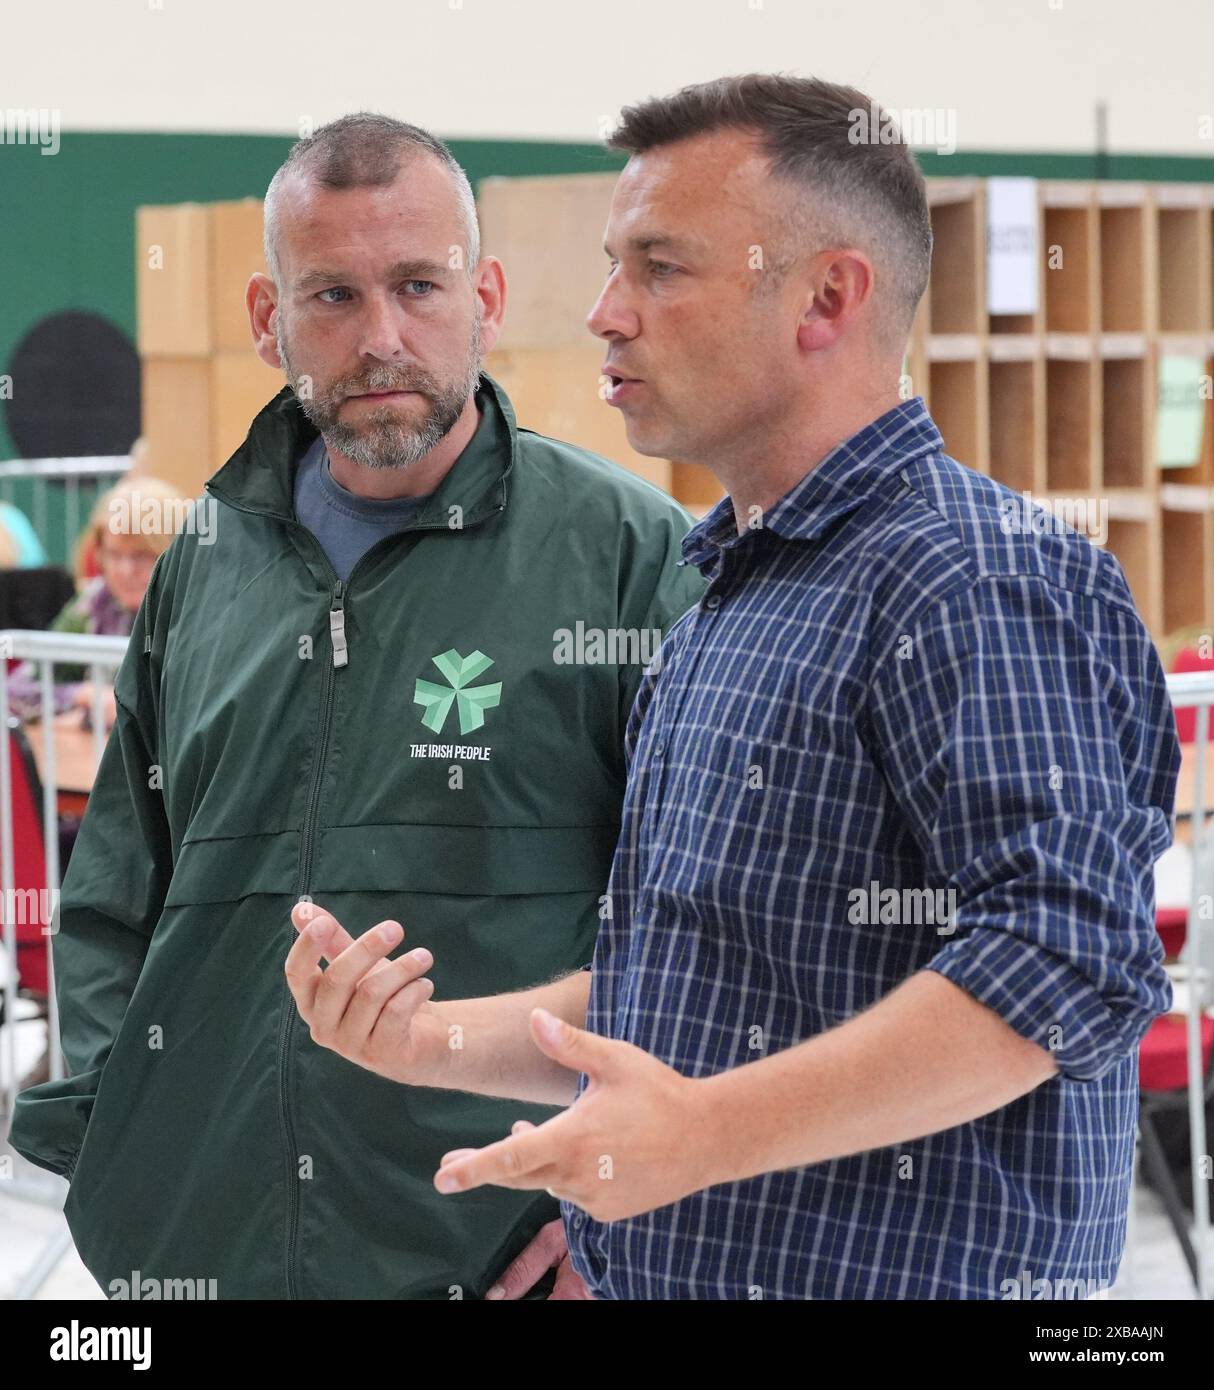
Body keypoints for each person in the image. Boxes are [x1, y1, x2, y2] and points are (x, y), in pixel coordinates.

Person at [286, 75, 1181, 1300]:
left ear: (826, 295)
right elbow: (697, 981)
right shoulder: (728, 596)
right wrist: (422, 1039)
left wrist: (703, 1133)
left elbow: (1062, 962)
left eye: (658, 267)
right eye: (613, 266)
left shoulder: (975, 577)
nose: (605, 314)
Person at [7, 113, 702, 1301]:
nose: (382, 337)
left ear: (482, 295)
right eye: (331, 294)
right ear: (268, 321)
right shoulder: (204, 557)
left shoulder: (630, 558)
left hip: (483, 1243)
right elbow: (120, 885)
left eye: (417, 285)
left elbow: (696, 934)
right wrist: (112, 1152)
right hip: (199, 1244)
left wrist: (623, 1201)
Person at [6, 474, 186, 728]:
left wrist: (107, 713)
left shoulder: (197, 610)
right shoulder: (96, 602)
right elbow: (14, 691)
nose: (125, 570)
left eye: (143, 556)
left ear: (177, 554)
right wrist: (85, 695)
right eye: (113, 554)